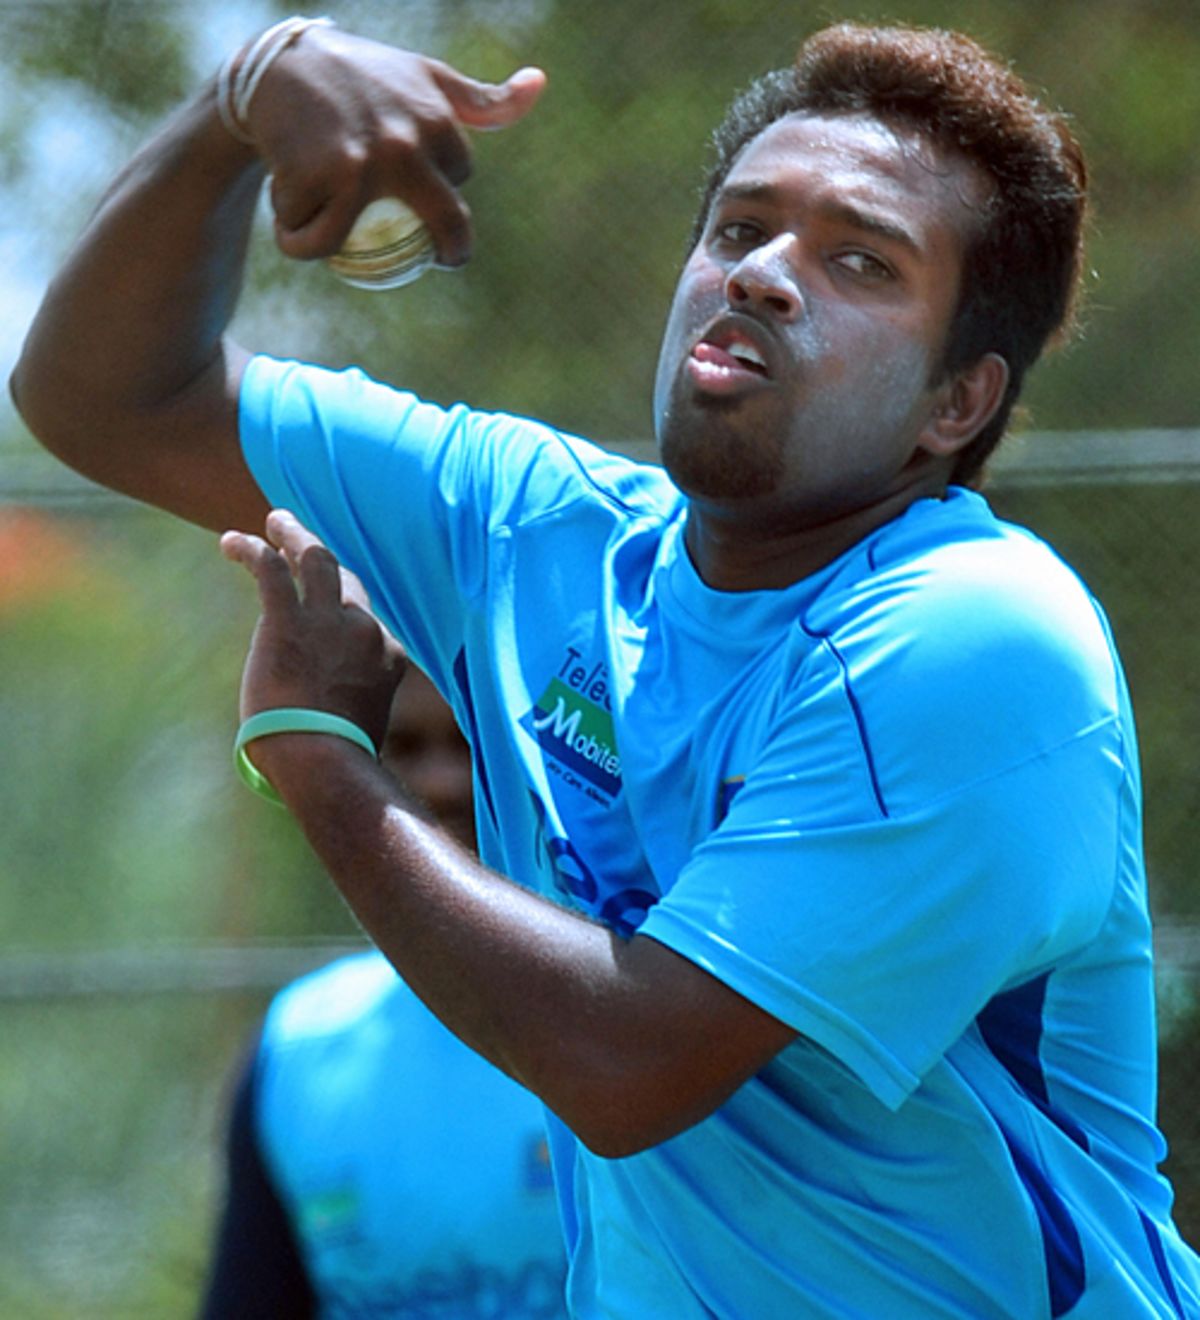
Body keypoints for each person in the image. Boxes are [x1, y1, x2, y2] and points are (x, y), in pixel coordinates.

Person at [12, 15, 1200, 1317]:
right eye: (741, 230)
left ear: (953, 404)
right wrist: (244, 96)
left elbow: (624, 1063)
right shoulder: (535, 527)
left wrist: (328, 775)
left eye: (860, 259)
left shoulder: (973, 638)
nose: (764, 275)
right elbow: (100, 397)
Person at [200, 669, 567, 1318]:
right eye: (403, 747)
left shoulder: (642, 1023)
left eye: (474, 744)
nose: (441, 782)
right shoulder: (297, 1044)